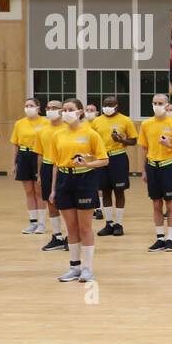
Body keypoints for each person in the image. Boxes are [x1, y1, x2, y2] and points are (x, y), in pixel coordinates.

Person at [51, 99, 109, 284]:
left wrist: (87, 164)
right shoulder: (58, 135)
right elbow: (55, 163)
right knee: (71, 227)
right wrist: (53, 189)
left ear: (80, 112)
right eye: (64, 109)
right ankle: (74, 267)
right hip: (64, 179)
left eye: (70, 109)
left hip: (85, 179)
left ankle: (87, 269)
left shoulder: (91, 134)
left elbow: (104, 160)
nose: (66, 112)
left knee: (85, 227)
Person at [139, 93, 172, 252]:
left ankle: (170, 239)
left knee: (171, 204)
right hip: (152, 167)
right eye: (155, 103)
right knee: (156, 203)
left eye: (160, 103)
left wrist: (170, 145)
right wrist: (144, 170)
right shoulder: (146, 124)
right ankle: (160, 238)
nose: (157, 106)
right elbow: (144, 149)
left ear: (167, 105)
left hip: (169, 166)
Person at [90, 96, 136, 237]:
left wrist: (122, 140)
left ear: (116, 105)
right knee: (105, 191)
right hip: (102, 158)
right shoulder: (96, 121)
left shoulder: (125, 120)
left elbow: (133, 141)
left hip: (118, 157)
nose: (107, 107)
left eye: (110, 104)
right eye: (105, 104)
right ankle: (109, 223)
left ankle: (119, 224)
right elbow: (92, 140)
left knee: (119, 191)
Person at [11, 98, 49, 234]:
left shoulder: (46, 122)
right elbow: (15, 144)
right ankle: (33, 222)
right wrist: (14, 163)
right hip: (23, 156)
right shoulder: (19, 124)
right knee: (29, 192)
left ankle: (42, 223)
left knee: (39, 191)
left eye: (31, 105)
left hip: (38, 156)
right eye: (26, 105)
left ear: (38, 108)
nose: (28, 108)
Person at [34, 100, 69, 250]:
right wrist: (39, 173)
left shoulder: (68, 128)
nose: (50, 110)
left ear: (62, 110)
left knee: (66, 204)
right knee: (51, 202)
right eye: (48, 108)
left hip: (64, 167)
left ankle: (70, 237)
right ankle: (57, 236)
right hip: (47, 167)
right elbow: (40, 154)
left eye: (54, 108)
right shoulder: (42, 130)